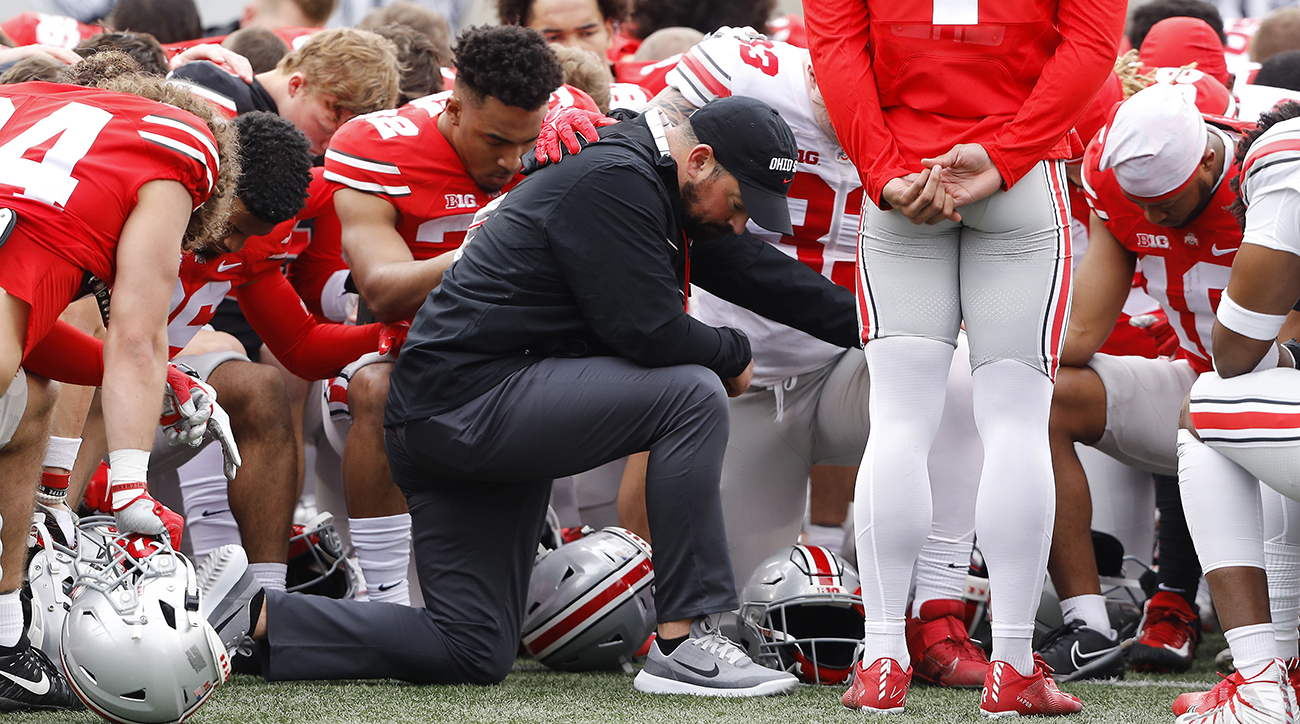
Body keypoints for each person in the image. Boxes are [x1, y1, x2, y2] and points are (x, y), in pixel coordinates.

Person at [231, 90, 857, 697]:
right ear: (698, 160)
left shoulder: (650, 180)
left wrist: (878, 328)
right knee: (691, 392)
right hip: (468, 402)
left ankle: (253, 620)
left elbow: (754, 271)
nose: (740, 223)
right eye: (741, 203)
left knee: (470, 647)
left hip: (464, 408)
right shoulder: (617, 177)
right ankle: (683, 640)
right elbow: (647, 331)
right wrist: (733, 352)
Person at [635, 27, 990, 689]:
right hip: (742, 379)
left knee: (956, 368)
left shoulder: (938, 113)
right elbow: (649, 149)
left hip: (850, 369)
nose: (873, 108)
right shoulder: (741, 70)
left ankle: (937, 615)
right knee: (746, 623)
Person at [804, 0, 1126, 715]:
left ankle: (882, 658)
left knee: (899, 423)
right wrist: (1009, 153)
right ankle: (1012, 664)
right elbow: (1092, 45)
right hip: (1018, 178)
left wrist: (885, 169)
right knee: (1015, 425)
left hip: (905, 170)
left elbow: (835, 50)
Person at [0, 60, 235, 711]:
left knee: (29, 398)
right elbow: (136, 337)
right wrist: (130, 485)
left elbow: (26, 332)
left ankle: (5, 639)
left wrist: (168, 381)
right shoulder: (180, 146)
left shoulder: (21, 98)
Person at [318, 25, 561, 605]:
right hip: (409, 355)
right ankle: (383, 596)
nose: (511, 160)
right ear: (453, 109)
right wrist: (480, 249)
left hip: (518, 358)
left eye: (525, 142)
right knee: (372, 387)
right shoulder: (380, 145)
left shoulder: (565, 122)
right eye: (494, 139)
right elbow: (383, 290)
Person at [1037, 81, 1249, 682]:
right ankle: (1089, 628)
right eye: (1141, 202)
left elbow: (1286, 334)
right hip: (1197, 380)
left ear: (1206, 161)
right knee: (1042, 395)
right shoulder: (1110, 179)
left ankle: (1270, 636)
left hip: (1277, 387)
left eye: (1167, 202)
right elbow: (1082, 333)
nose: (1152, 217)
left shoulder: (1268, 175)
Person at [1167, 100, 1300, 724]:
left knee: (1206, 410)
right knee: (1272, 395)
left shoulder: (1285, 151)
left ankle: (1258, 682)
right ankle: (1289, 667)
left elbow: (1235, 353)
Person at [168, 27, 400, 153]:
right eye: (326, 128)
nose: (330, 146)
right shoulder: (210, 85)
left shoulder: (323, 150)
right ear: (296, 85)